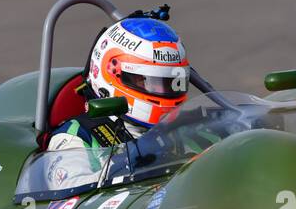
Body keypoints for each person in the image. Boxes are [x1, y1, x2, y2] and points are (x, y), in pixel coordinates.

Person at [46, 10, 190, 152]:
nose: (163, 90)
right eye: (148, 81)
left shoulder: (187, 131)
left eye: (171, 83)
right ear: (112, 71)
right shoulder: (75, 139)